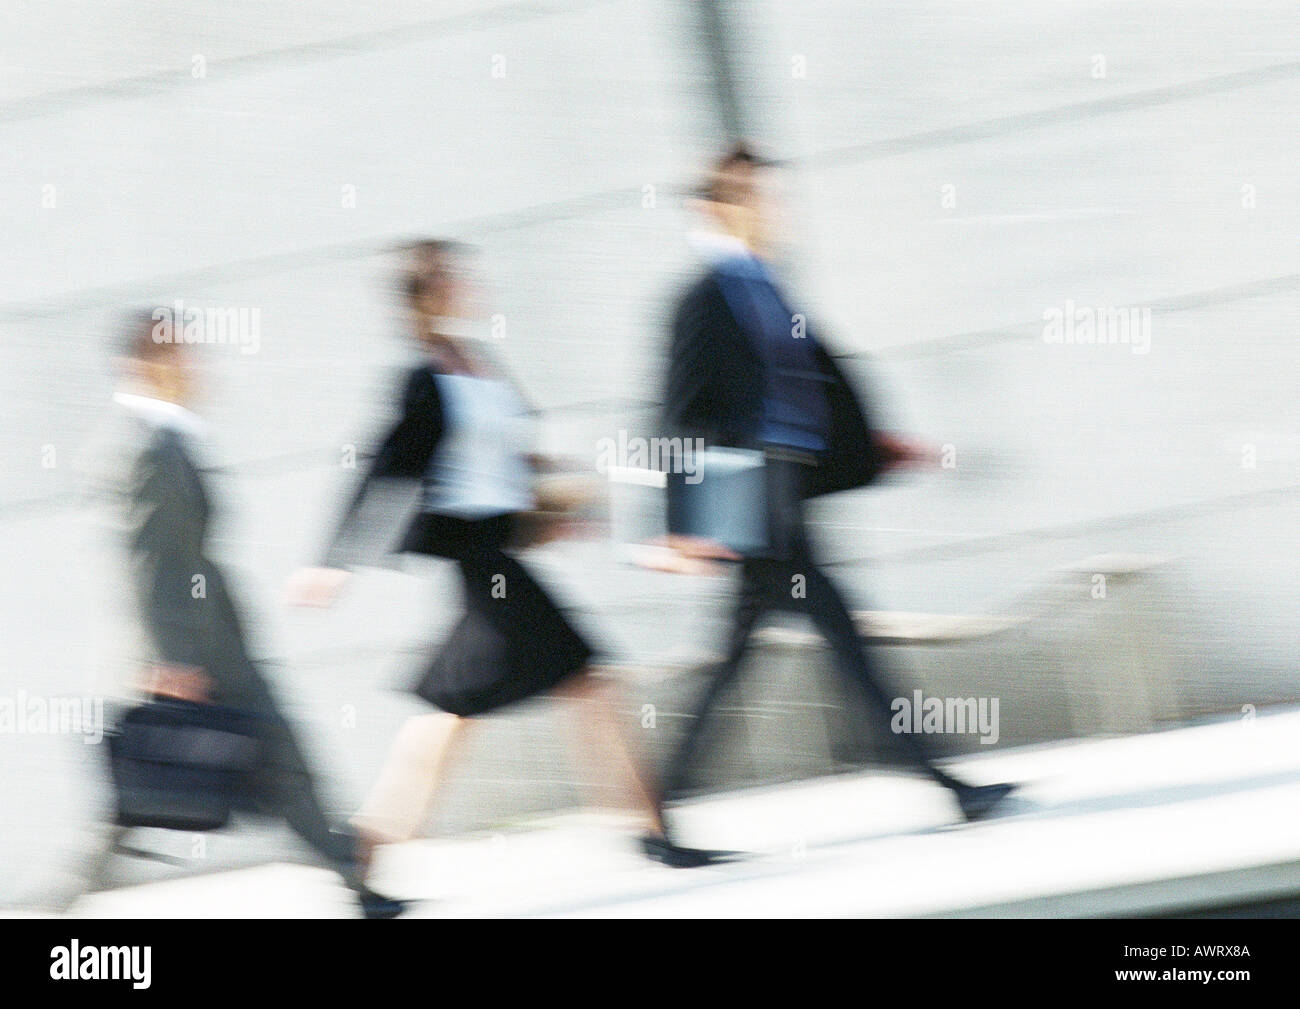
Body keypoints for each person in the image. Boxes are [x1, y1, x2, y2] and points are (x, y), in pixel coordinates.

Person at [287, 240, 728, 869]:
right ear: (426, 295)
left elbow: (515, 455)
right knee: (579, 687)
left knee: (469, 711)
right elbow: (386, 467)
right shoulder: (424, 379)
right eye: (450, 278)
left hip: (497, 554)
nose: (465, 284)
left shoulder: (477, 363)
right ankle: (648, 830)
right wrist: (333, 561)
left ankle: (364, 851)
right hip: (478, 561)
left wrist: (561, 500)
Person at [657, 144, 1015, 832]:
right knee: (841, 643)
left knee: (750, 659)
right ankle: (934, 775)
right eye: (757, 197)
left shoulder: (760, 284)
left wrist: (880, 447)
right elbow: (679, 411)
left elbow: (812, 383)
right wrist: (685, 522)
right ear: (718, 208)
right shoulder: (706, 298)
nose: (773, 210)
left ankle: (659, 803)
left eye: (772, 196)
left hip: (783, 496)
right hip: (752, 503)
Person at [104, 312, 406, 917]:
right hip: (199, 648)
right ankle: (66, 900)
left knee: (276, 757)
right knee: (149, 798)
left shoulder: (170, 439)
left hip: (215, 638)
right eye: (180, 354)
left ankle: (350, 871)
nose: (193, 365)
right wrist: (176, 659)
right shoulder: (150, 450)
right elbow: (151, 566)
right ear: (145, 363)